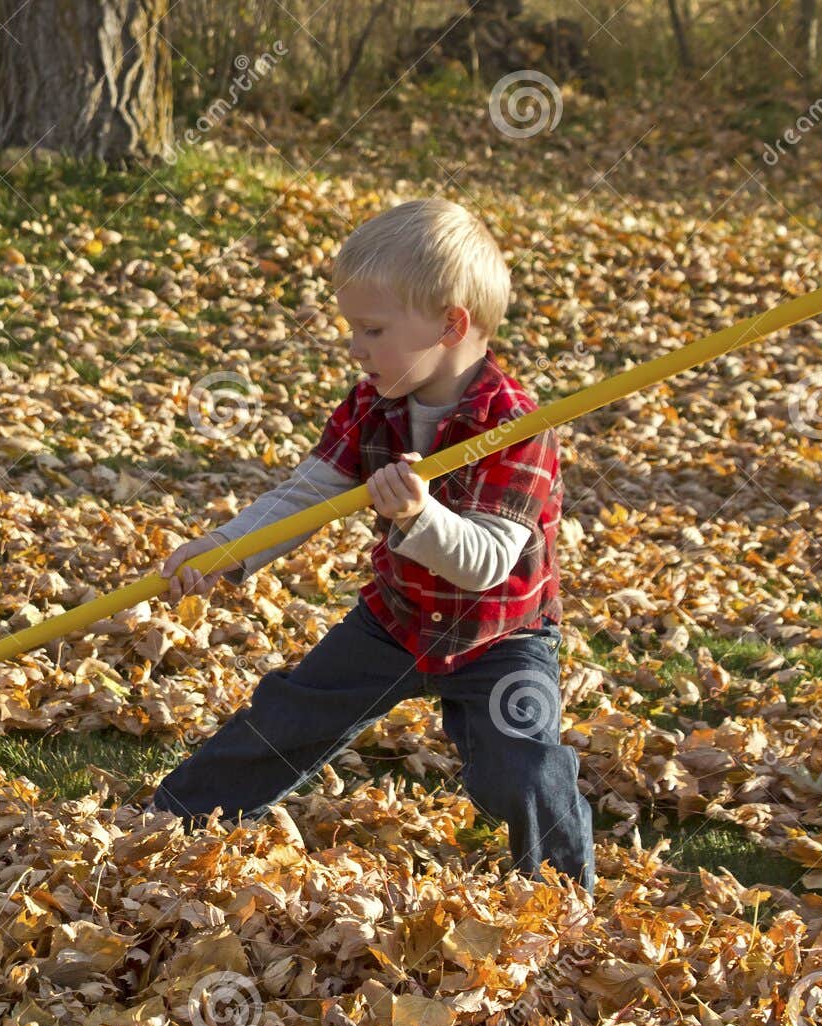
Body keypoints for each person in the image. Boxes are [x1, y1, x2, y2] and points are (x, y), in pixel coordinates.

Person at [150, 197, 596, 893]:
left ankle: (563, 893)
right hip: (396, 618)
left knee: (521, 763)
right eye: (353, 328)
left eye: (373, 329)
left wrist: (420, 517)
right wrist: (223, 548)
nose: (356, 347)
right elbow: (304, 496)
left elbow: (485, 565)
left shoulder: (516, 426)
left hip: (499, 635)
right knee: (288, 715)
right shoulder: (373, 403)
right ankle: (169, 822)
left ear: (451, 325)